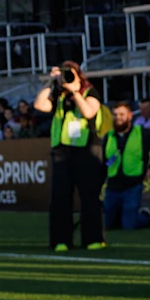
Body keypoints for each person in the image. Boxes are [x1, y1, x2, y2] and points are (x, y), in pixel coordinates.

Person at [35, 61, 110, 253]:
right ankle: (61, 240)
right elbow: (39, 105)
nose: (66, 78)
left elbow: (88, 111)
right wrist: (50, 82)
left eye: (70, 74)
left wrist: (75, 91)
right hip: (62, 151)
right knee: (60, 198)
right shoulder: (58, 96)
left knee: (89, 197)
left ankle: (93, 238)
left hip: (86, 149)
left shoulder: (89, 92)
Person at [103, 100, 150, 231]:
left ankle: (146, 217)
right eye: (115, 115)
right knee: (108, 225)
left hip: (132, 186)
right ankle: (121, 214)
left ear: (130, 116)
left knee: (129, 225)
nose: (118, 118)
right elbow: (104, 161)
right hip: (113, 186)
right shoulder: (109, 136)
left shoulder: (143, 133)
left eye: (121, 114)